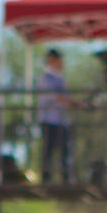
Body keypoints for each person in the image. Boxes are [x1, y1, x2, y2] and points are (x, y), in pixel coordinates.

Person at [37, 49, 75, 184]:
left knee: (65, 150)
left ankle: (66, 178)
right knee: (48, 150)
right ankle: (46, 179)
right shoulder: (46, 78)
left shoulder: (59, 77)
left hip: (61, 120)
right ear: (51, 60)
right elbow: (55, 97)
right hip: (49, 119)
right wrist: (72, 103)